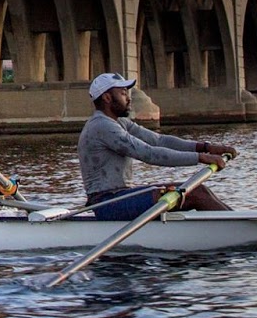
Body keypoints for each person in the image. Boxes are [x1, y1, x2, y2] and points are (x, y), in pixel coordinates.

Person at [78, 72, 237, 220]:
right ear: (107, 98)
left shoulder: (119, 122)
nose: (129, 98)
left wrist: (205, 147)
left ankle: (238, 221)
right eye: (123, 93)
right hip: (108, 204)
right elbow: (149, 154)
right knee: (195, 192)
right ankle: (238, 230)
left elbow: (159, 141)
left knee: (197, 188)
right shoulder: (102, 126)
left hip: (121, 196)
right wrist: (201, 158)